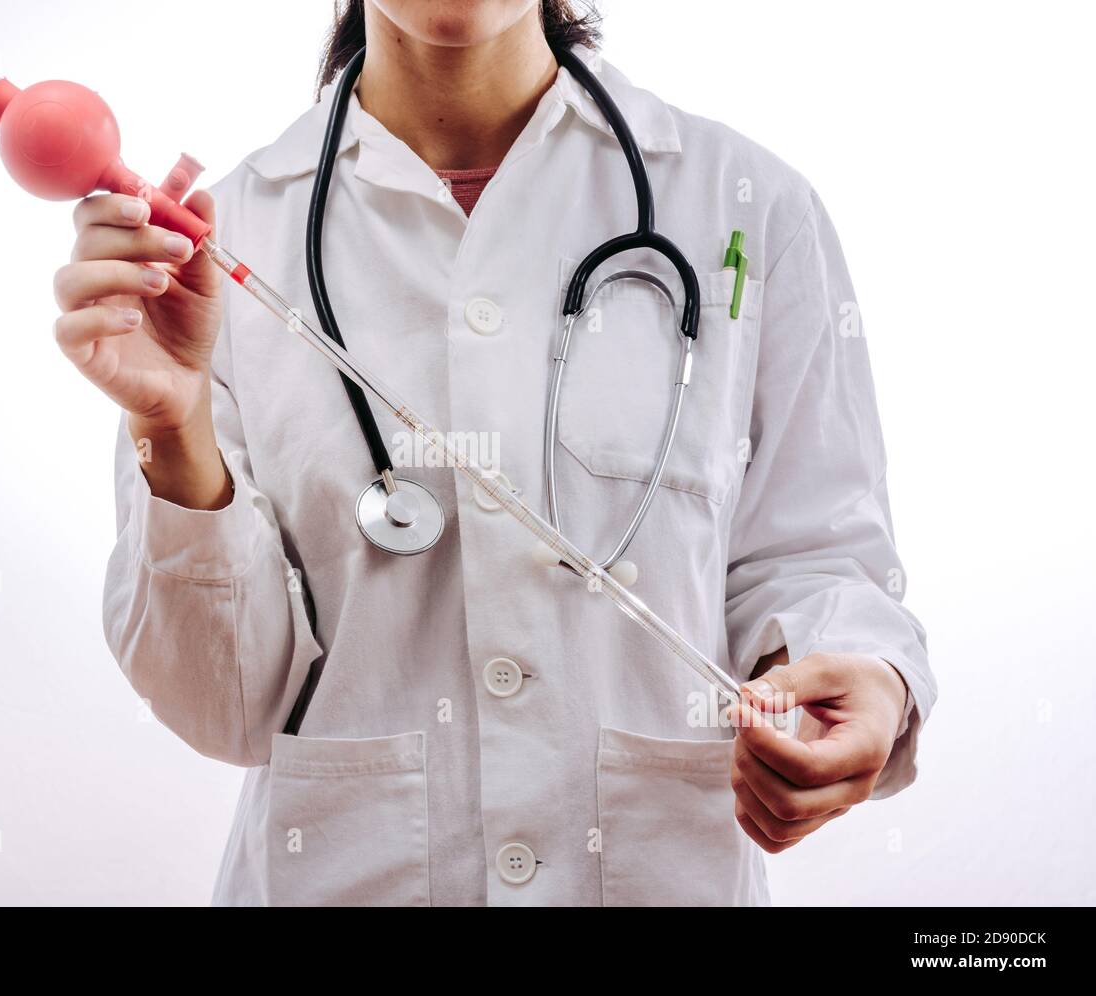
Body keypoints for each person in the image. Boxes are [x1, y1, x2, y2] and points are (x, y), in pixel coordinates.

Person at [51, 0, 934, 906]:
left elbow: (817, 558)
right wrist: (173, 426)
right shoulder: (219, 243)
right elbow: (223, 709)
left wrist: (861, 673)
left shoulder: (748, 205)